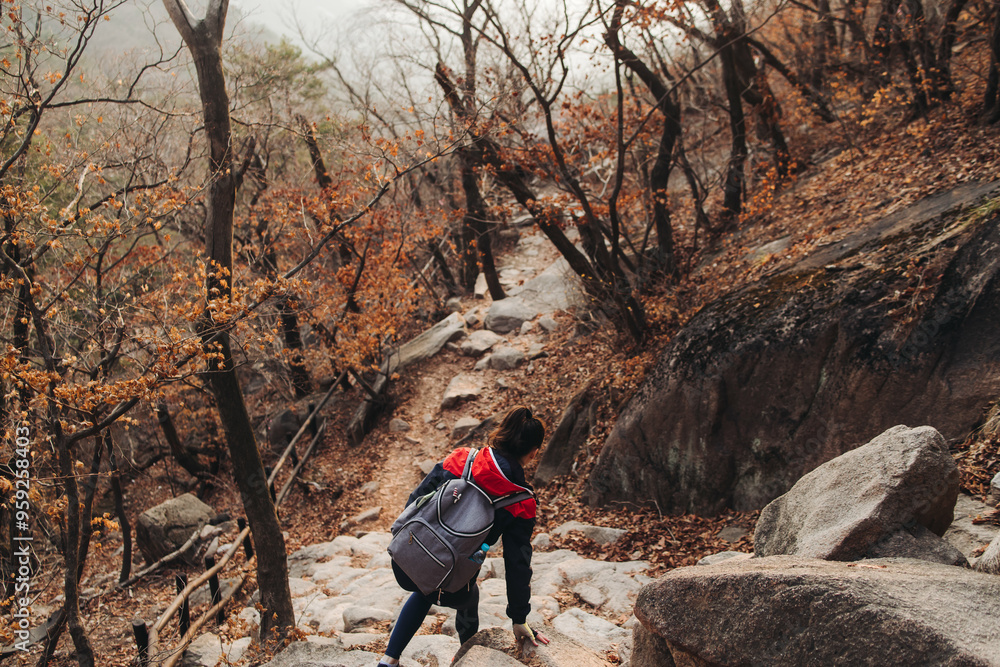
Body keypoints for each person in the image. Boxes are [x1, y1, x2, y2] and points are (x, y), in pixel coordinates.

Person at [377, 406, 551, 666]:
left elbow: (415, 501)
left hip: (404, 561)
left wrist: (407, 540)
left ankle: (389, 660)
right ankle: (466, 659)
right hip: (451, 581)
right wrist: (519, 618)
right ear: (534, 451)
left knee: (430, 586)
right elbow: (517, 564)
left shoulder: (462, 458)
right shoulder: (521, 501)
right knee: (465, 592)